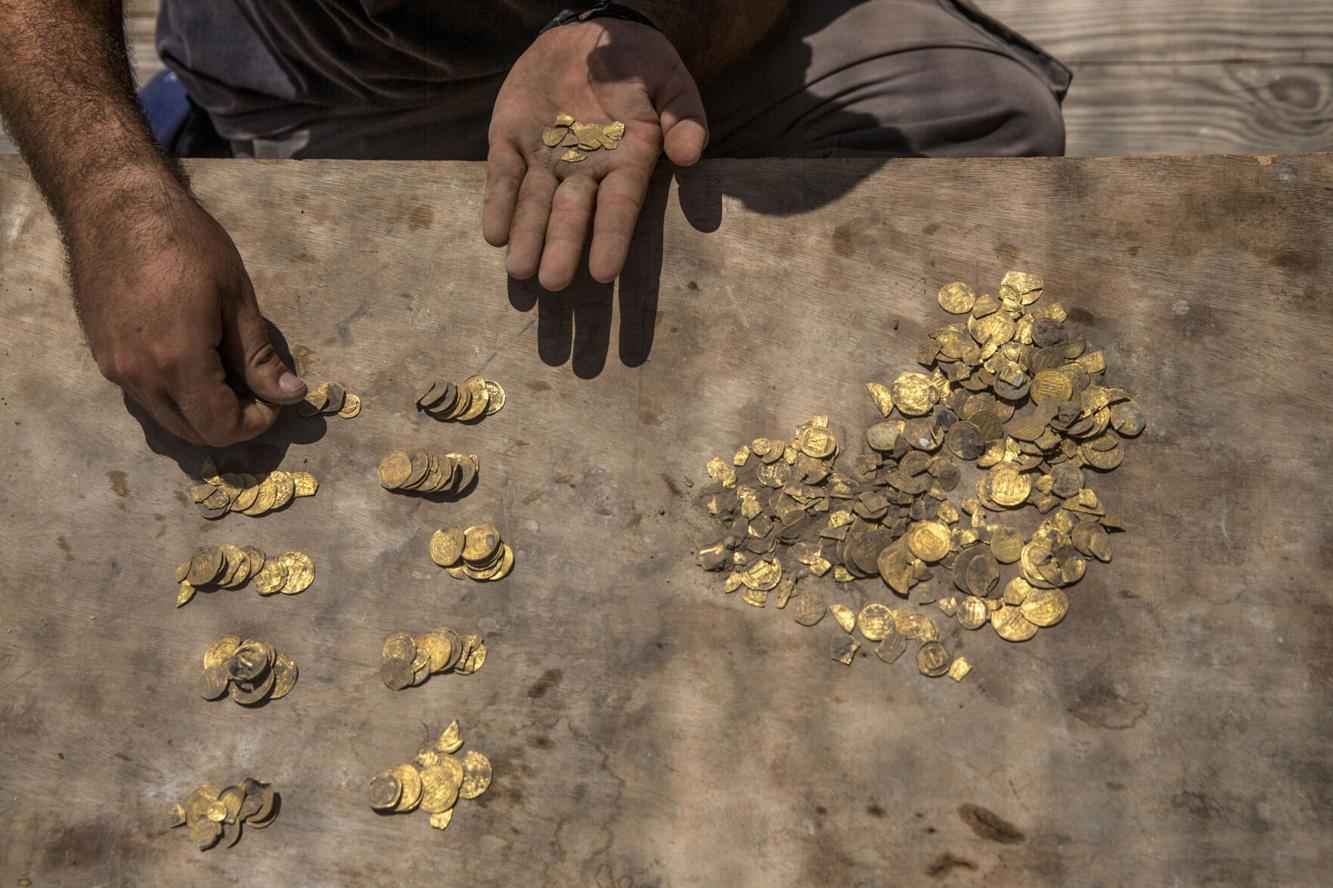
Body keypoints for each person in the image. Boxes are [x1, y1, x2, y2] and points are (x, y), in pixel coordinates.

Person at [0, 0, 1069, 447]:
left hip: (655, 23)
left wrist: (647, 24)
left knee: (976, 115)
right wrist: (111, 196)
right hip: (348, 78)